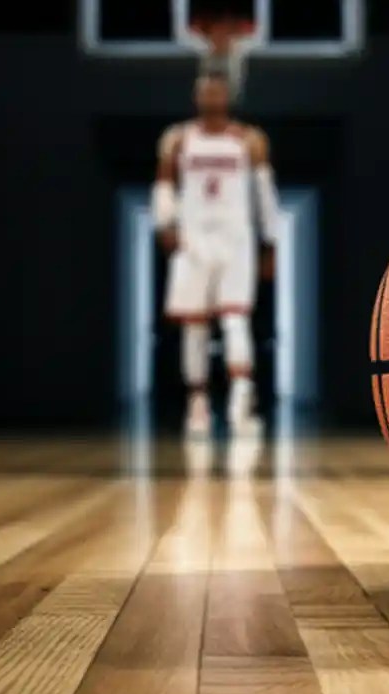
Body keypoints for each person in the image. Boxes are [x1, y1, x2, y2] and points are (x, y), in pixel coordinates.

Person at [151, 71, 281, 436]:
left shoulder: (249, 139)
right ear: (196, 95)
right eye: (205, 90)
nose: (211, 97)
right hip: (193, 239)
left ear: (227, 95)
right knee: (194, 324)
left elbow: (264, 192)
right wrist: (165, 224)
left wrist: (269, 241)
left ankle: (241, 397)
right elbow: (164, 183)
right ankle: (198, 403)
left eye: (217, 91)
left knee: (235, 319)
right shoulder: (178, 139)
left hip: (235, 239)